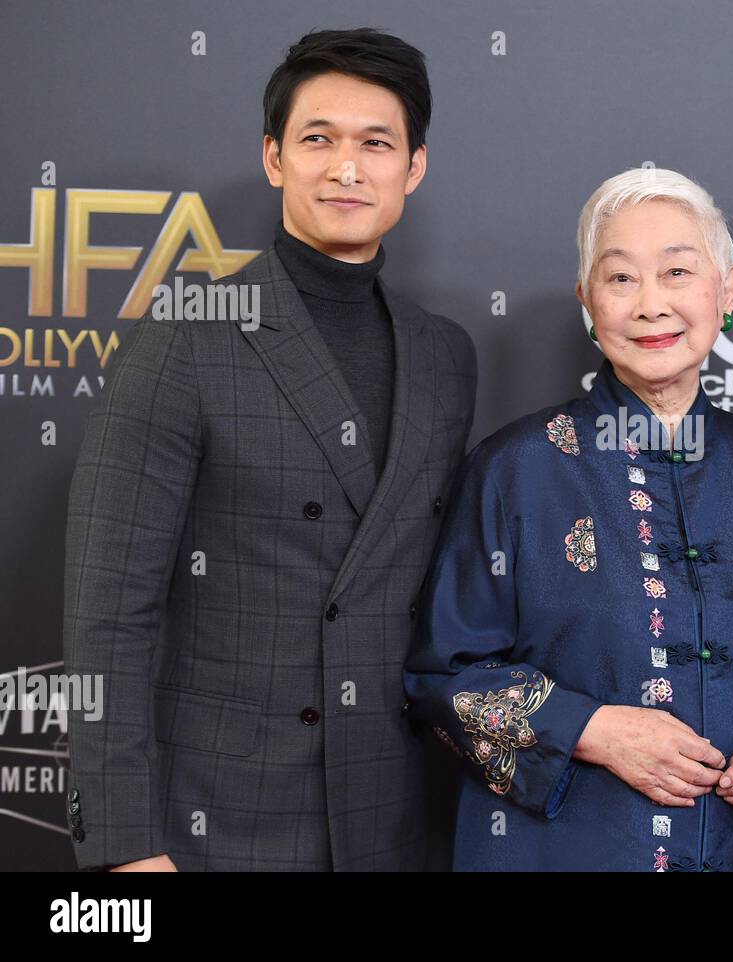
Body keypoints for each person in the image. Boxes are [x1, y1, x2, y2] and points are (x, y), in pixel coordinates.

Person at [63, 28, 477, 871]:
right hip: (215, 821)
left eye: (377, 143)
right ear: (274, 157)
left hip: (391, 817)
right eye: (318, 139)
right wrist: (126, 845)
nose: (347, 167)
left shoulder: (446, 355)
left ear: (416, 167)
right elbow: (108, 614)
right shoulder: (188, 336)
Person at [404, 167, 733, 871]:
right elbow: (445, 675)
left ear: (728, 290)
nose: (653, 306)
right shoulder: (517, 470)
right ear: (588, 301)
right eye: (621, 279)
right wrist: (590, 728)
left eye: (678, 272)